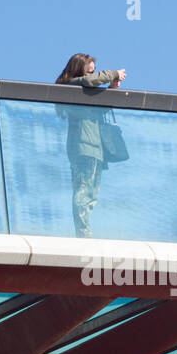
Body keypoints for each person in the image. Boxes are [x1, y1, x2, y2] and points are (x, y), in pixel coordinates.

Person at [55, 54, 126, 238]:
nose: (93, 74)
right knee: (83, 190)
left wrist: (111, 88)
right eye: (90, 69)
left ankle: (85, 230)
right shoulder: (73, 84)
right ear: (79, 69)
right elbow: (89, 81)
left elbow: (101, 105)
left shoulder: (84, 91)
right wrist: (113, 73)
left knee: (92, 194)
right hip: (83, 147)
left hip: (95, 148)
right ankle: (83, 233)